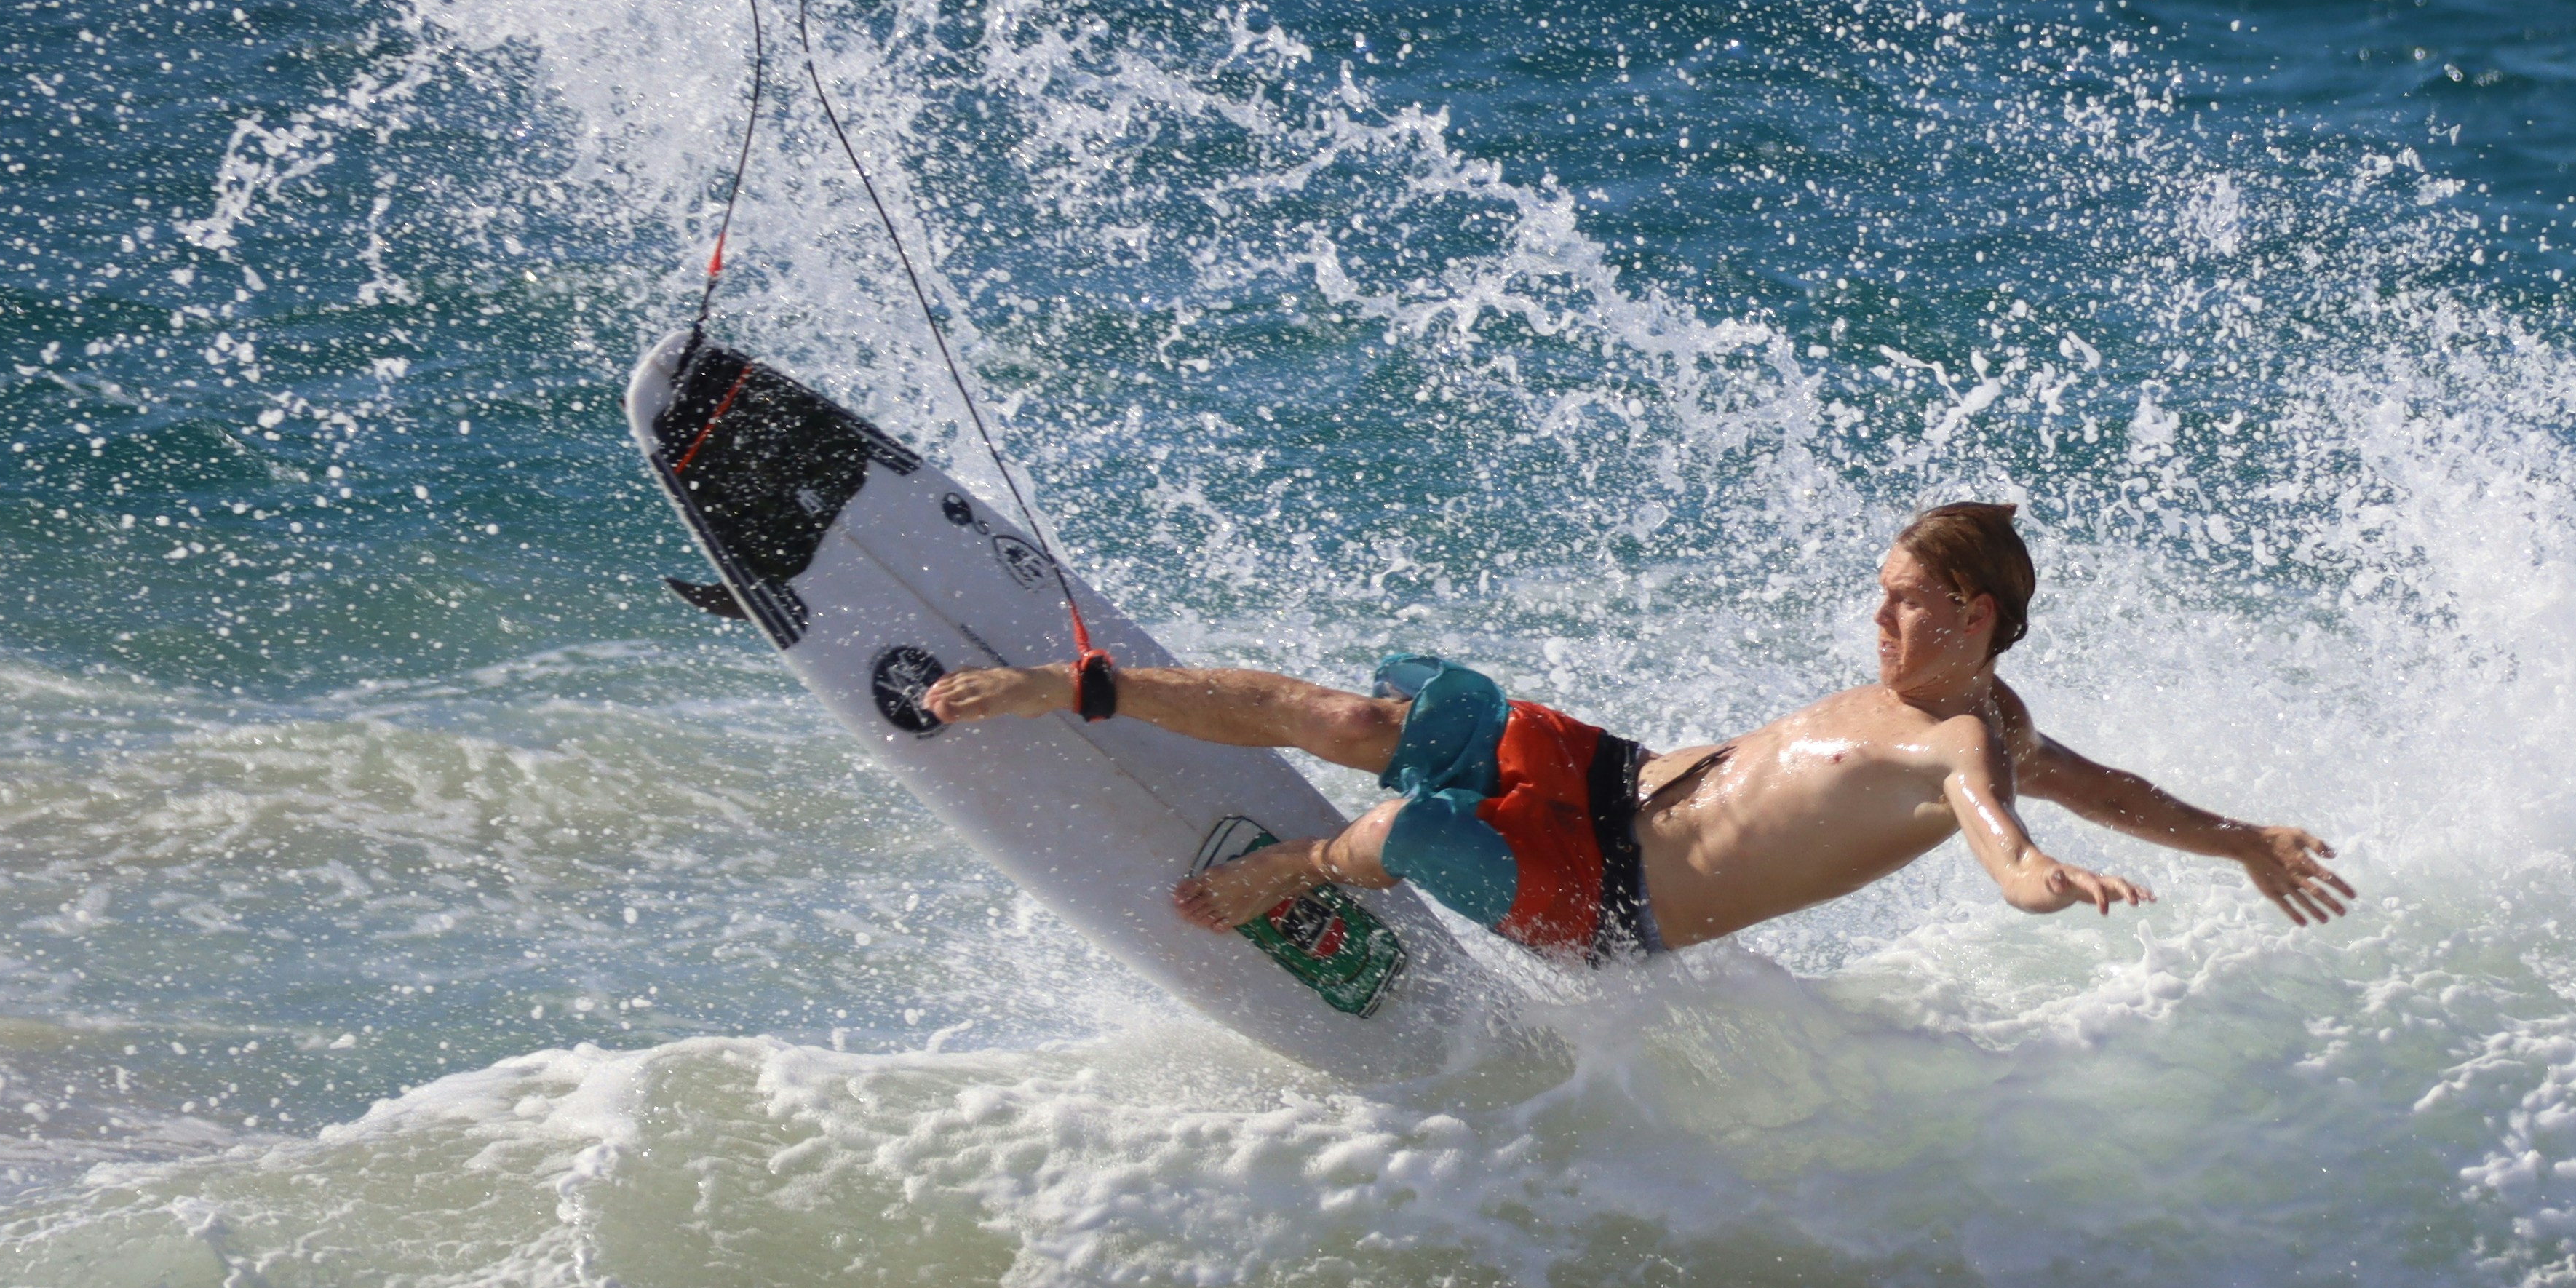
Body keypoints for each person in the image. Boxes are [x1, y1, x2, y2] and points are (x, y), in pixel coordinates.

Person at [918, 502, 2353, 960]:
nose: (1880, 622)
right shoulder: (1979, 708)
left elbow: (2018, 839)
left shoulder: (1967, 745)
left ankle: (1288, 871)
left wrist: (2052, 886)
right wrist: (2240, 836)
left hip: (1606, 897)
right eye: (1879, 595)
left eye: (1906, 603)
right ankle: (1074, 683)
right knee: (1369, 713)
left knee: (1399, 831)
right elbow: (2118, 781)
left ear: (1974, 614)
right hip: (1613, 775)